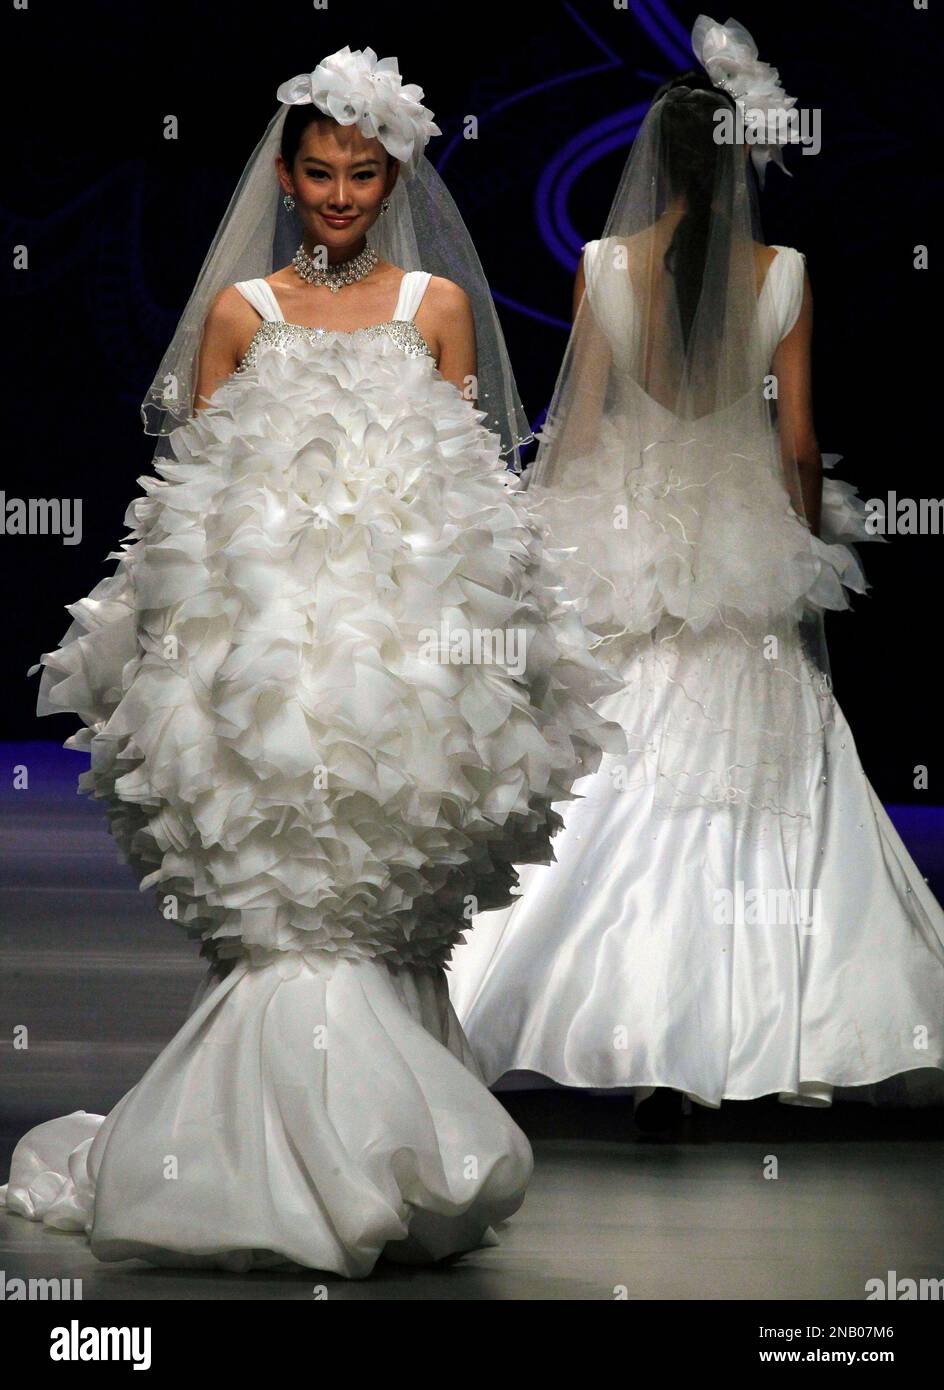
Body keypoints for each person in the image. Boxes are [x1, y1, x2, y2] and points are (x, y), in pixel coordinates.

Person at [0, 46, 620, 1274]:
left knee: (386, 893)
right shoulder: (243, 313)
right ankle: (319, 1155)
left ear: (391, 178)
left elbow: (475, 498)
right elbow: (190, 500)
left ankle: (363, 1149)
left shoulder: (431, 308)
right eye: (321, 174)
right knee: (288, 902)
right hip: (270, 654)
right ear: (285, 177)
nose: (341, 195)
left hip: (403, 649)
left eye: (363, 175)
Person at [447, 16, 944, 1126]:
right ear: (739, 160)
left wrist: (548, 544)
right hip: (737, 543)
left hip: (625, 532)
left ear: (650, 163)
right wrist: (800, 543)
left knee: (606, 758)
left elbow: (575, 432)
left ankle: (533, 1007)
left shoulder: (601, 267)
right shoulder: (782, 273)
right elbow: (798, 442)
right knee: (759, 764)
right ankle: (725, 1031)